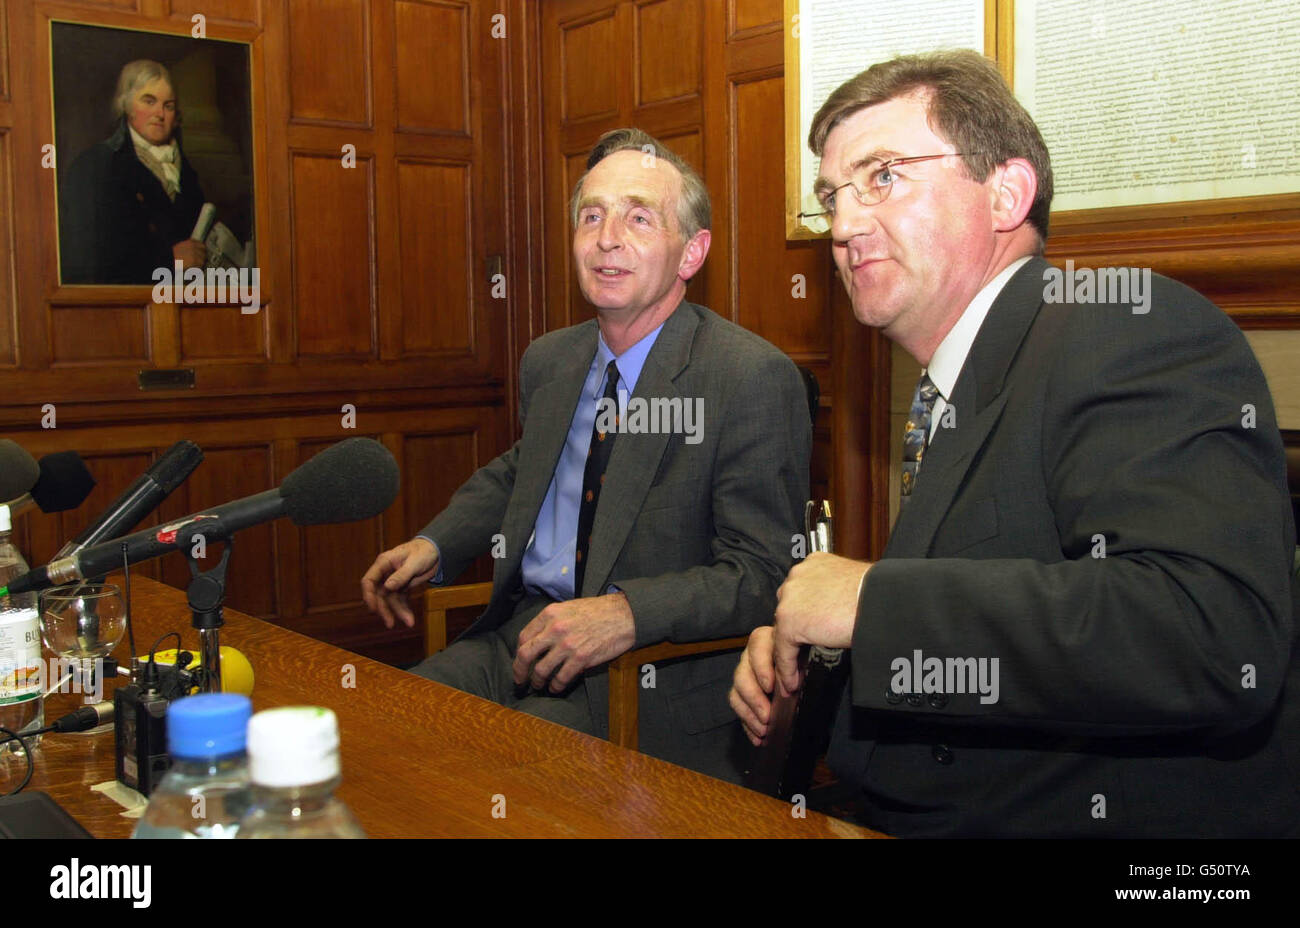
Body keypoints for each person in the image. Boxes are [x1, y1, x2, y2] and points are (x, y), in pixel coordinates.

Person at [730, 50, 1298, 836]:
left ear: (1007, 192)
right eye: (833, 196)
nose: (845, 223)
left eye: (883, 176)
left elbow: (1209, 633)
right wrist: (816, 657)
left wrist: (869, 603)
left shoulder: (1123, 324)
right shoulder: (960, 380)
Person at [363, 128, 810, 782]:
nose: (607, 238)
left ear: (692, 252)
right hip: (521, 637)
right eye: (591, 217)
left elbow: (764, 572)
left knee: (484, 782)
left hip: (643, 679)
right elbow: (525, 469)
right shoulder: (552, 359)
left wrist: (627, 611)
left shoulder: (748, 378)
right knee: (381, 728)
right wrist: (438, 543)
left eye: (638, 218)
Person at [59, 59, 207, 284]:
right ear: (126, 106)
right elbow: (89, 260)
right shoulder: (96, 164)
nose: (160, 113)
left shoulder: (187, 172)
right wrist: (170, 260)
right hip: (127, 306)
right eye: (149, 101)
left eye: (168, 106)